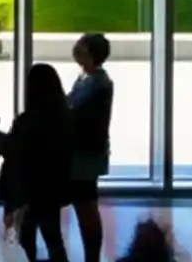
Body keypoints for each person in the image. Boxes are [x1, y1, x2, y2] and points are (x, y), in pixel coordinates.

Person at [0, 63, 72, 262]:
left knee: (26, 239)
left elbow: (12, 150)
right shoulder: (64, 117)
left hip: (29, 190)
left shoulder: (27, 120)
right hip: (53, 187)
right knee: (53, 236)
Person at [68, 33, 115, 262]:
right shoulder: (86, 78)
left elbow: (75, 110)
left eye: (82, 51)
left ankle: (92, 256)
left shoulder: (97, 83)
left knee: (86, 206)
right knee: (85, 204)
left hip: (86, 153)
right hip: (84, 152)